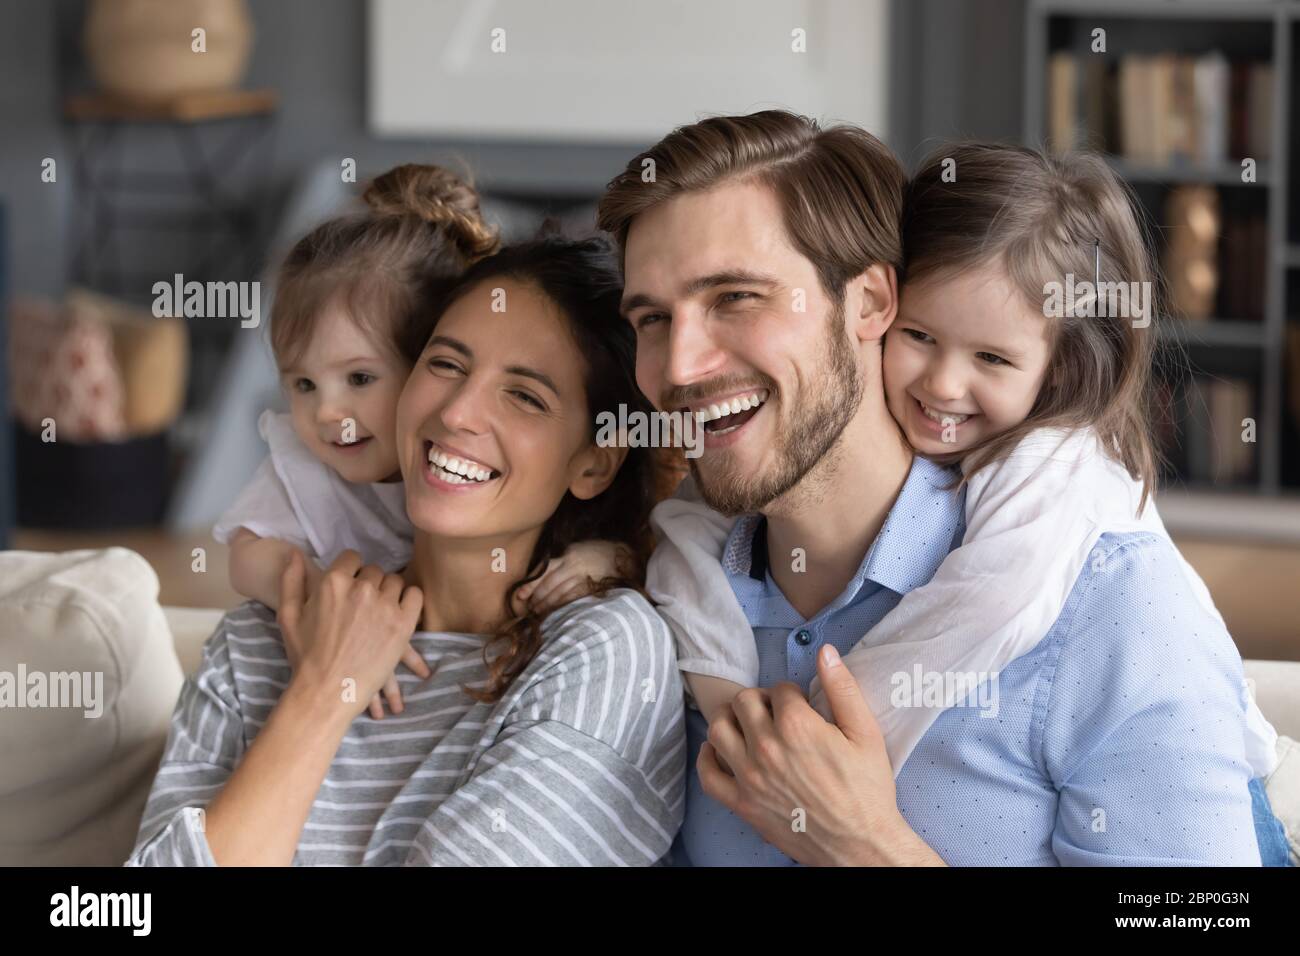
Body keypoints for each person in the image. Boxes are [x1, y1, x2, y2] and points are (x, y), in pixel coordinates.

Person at [598, 110, 1277, 865]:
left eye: (736, 298)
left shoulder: (1103, 595)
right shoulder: (669, 609)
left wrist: (867, 848)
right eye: (653, 318)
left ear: (871, 302)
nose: (679, 366)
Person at [127, 235, 685, 866]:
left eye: (525, 395)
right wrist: (322, 692)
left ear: (593, 463)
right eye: (446, 364)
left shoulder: (606, 649)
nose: (457, 413)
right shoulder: (256, 641)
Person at [214, 164, 633, 720]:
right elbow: (247, 556)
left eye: (360, 379)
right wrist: (328, 609)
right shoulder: (306, 473)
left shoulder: (595, 636)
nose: (326, 412)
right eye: (302, 385)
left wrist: (611, 557)